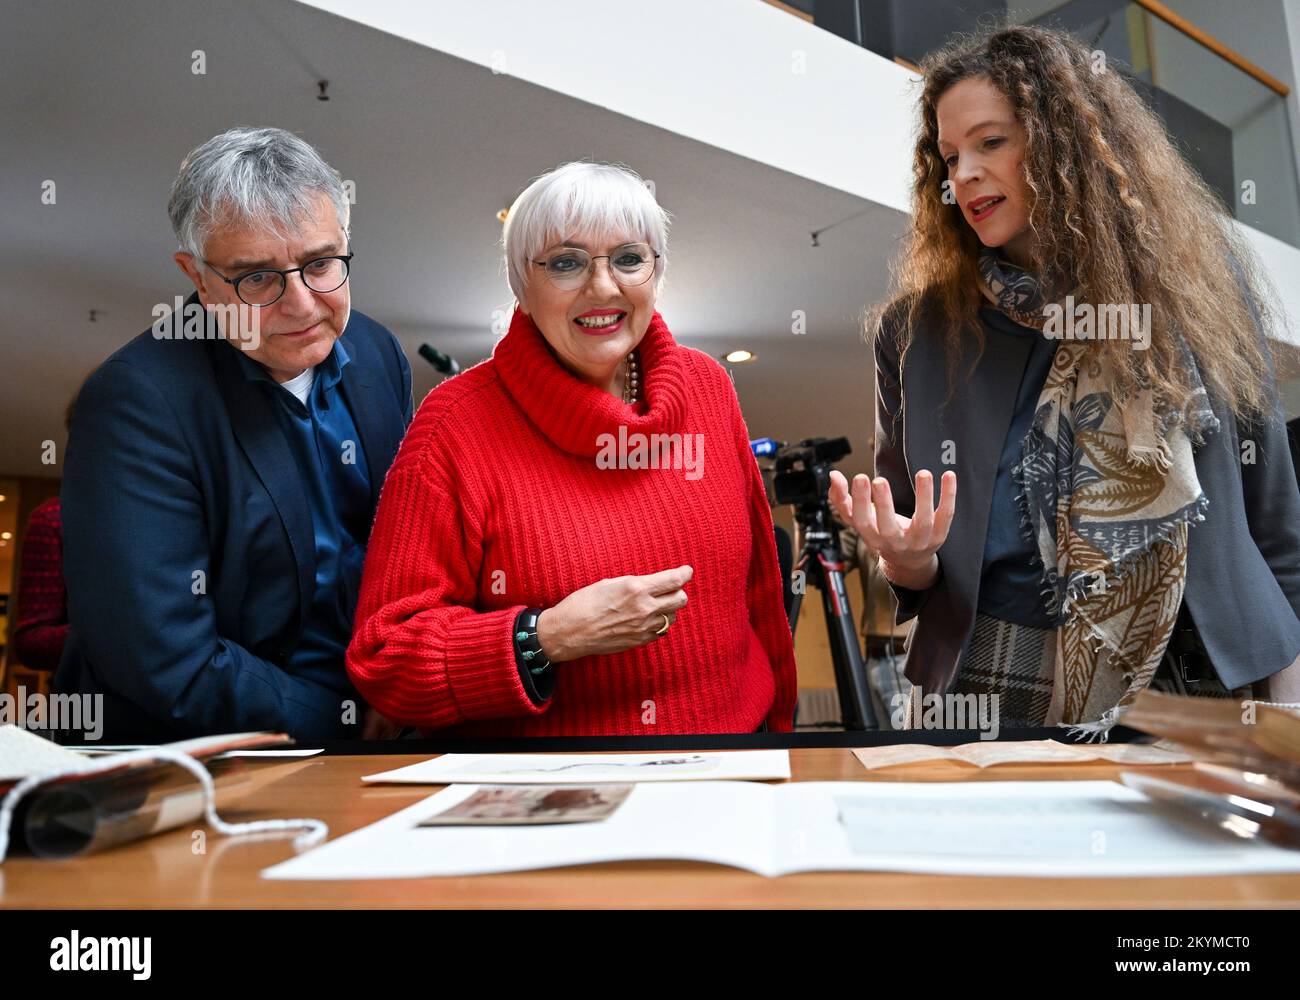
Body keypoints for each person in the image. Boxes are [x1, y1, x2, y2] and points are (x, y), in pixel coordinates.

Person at [829, 26, 1300, 734]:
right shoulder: (917, 330)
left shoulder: (1197, 288)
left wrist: (1290, 701)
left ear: (1061, 140)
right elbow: (911, 554)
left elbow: (1273, 520)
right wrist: (907, 557)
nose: (964, 175)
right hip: (992, 674)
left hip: (1200, 669)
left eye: (991, 143)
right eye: (949, 157)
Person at [347, 161, 797, 735]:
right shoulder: (455, 425)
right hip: (554, 795)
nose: (603, 287)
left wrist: (782, 744)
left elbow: (758, 592)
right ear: (521, 287)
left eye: (630, 259)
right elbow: (387, 658)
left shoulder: (707, 386)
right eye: (566, 263)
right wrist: (547, 638)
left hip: (730, 770)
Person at [54, 127, 412, 742]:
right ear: (196, 274)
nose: (301, 304)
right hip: (200, 758)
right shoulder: (135, 401)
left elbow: (408, 550)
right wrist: (350, 726)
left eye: (322, 264)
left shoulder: (378, 352)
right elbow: (166, 659)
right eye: (257, 280)